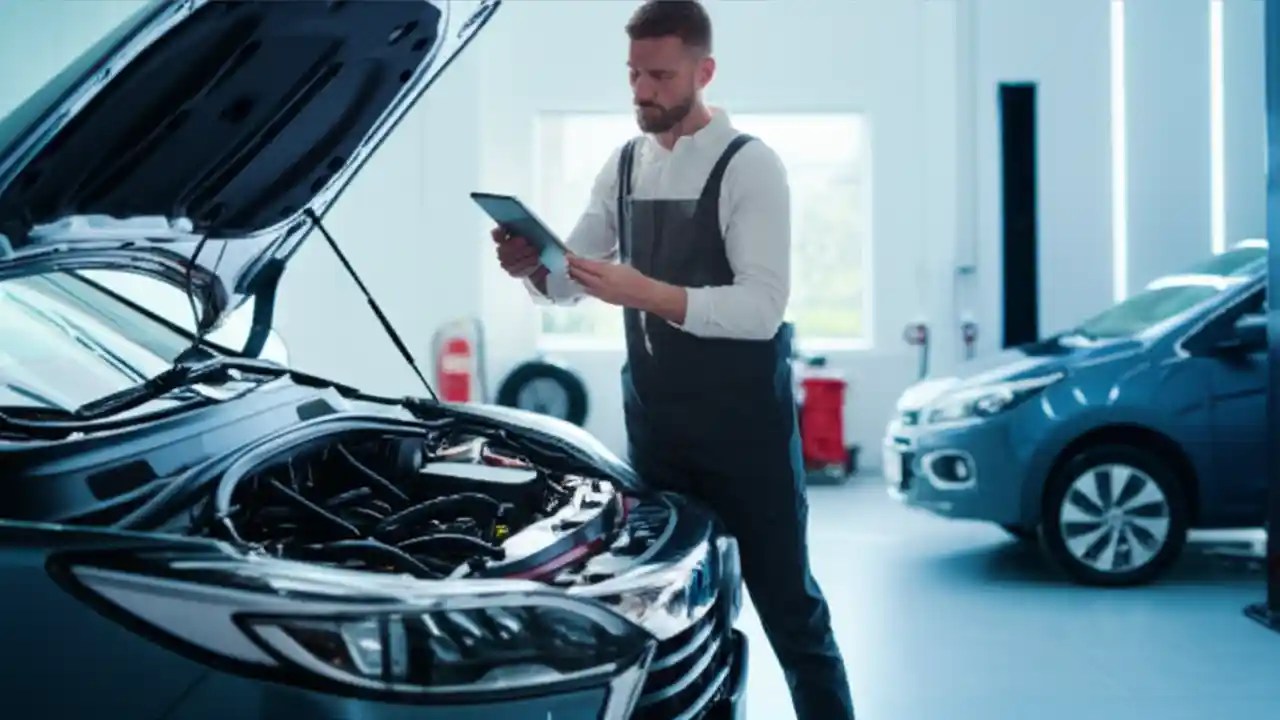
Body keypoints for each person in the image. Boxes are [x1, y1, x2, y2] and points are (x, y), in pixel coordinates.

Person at [491, 2, 856, 718]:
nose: (641, 91)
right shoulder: (623, 165)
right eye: (633, 74)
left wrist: (646, 292)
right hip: (657, 434)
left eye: (659, 75)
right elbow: (572, 278)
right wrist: (533, 269)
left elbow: (760, 311)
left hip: (745, 438)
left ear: (704, 71)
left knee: (792, 614)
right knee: (669, 612)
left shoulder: (751, 166)